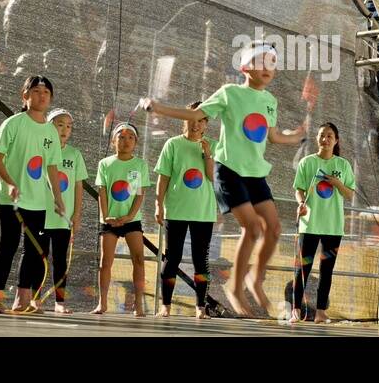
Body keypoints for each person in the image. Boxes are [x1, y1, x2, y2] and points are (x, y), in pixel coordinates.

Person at [138, 41, 308, 316]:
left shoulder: (269, 101)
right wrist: (158, 107)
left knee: (274, 228)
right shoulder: (230, 93)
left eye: (272, 63)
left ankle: (254, 279)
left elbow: (273, 136)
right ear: (245, 67)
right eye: (261, 61)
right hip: (229, 171)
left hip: (255, 174)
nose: (268, 68)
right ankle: (234, 288)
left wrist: (296, 136)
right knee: (252, 228)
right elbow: (196, 113)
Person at [0, 75, 67, 313]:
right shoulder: (13, 123)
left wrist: (58, 197)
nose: (41, 96)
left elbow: (52, 167)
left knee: (34, 251)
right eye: (36, 91)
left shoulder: (51, 132)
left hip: (38, 202)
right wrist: (10, 183)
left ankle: (22, 300)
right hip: (11, 199)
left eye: (46, 92)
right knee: (9, 245)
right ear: (25, 96)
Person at [155, 102, 217, 320]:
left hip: (203, 212)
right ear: (184, 119)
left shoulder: (213, 145)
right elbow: (163, 177)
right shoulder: (172, 144)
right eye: (192, 118)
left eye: (201, 120)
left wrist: (207, 154)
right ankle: (166, 306)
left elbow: (212, 177)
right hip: (176, 210)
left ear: (206, 124)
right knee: (172, 258)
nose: (196, 123)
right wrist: (158, 204)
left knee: (201, 260)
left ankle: (201, 307)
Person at [291, 122, 356, 324]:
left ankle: (320, 312)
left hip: (332, 227)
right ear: (317, 138)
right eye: (321, 135)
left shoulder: (343, 165)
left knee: (326, 270)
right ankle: (295, 310)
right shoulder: (307, 162)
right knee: (303, 268)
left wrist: (337, 183)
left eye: (329, 136)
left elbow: (349, 194)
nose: (325, 139)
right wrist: (301, 202)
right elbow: (299, 188)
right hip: (309, 225)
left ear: (336, 140)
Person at [93, 123, 151, 315]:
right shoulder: (105, 164)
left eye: (130, 138)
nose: (125, 141)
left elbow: (138, 194)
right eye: (121, 137)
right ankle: (102, 303)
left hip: (131, 221)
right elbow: (102, 191)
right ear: (113, 141)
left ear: (136, 142)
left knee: (139, 260)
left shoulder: (139, 165)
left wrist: (129, 217)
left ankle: (139, 305)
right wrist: (105, 216)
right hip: (109, 221)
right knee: (105, 262)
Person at [43, 108, 88, 314]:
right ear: (49, 124)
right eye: (60, 124)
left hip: (64, 218)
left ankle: (59, 303)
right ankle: (33, 299)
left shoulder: (75, 154)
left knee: (60, 260)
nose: (64, 129)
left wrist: (76, 214)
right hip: (40, 214)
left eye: (68, 126)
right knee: (37, 257)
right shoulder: (40, 148)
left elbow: (79, 186)